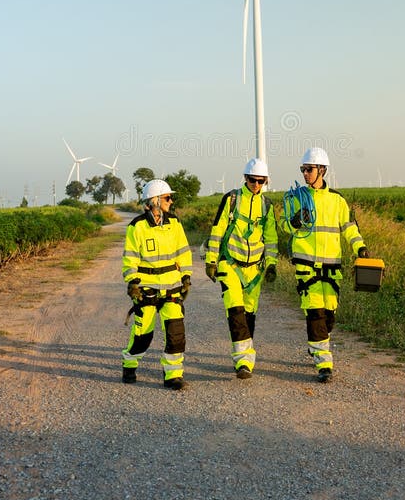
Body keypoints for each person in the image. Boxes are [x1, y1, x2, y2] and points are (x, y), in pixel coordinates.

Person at [282, 147, 368, 383]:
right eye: (303, 169)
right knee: (315, 312)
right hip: (306, 265)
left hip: (331, 266)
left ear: (322, 170)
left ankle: (317, 344)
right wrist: (296, 220)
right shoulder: (295, 198)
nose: (305, 174)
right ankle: (324, 362)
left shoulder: (337, 200)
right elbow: (284, 227)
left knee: (329, 314)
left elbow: (349, 228)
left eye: (309, 169)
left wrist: (359, 247)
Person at [205, 158, 278, 379]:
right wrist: (211, 260)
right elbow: (218, 229)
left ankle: (245, 357)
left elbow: (271, 238)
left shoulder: (267, 206)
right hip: (230, 264)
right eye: (253, 180)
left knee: (249, 316)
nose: (256, 185)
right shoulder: (232, 199)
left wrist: (272, 263)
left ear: (265, 181)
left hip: (254, 270)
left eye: (261, 181)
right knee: (235, 311)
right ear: (245, 178)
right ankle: (243, 362)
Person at [122, 179, 193, 390]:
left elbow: (184, 252)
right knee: (143, 336)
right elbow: (130, 258)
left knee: (176, 334)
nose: (171, 201)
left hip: (172, 288)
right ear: (154, 201)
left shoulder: (175, 223)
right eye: (167, 198)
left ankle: (173, 375)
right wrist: (132, 283)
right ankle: (129, 363)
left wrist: (186, 277)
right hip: (147, 289)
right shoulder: (137, 227)